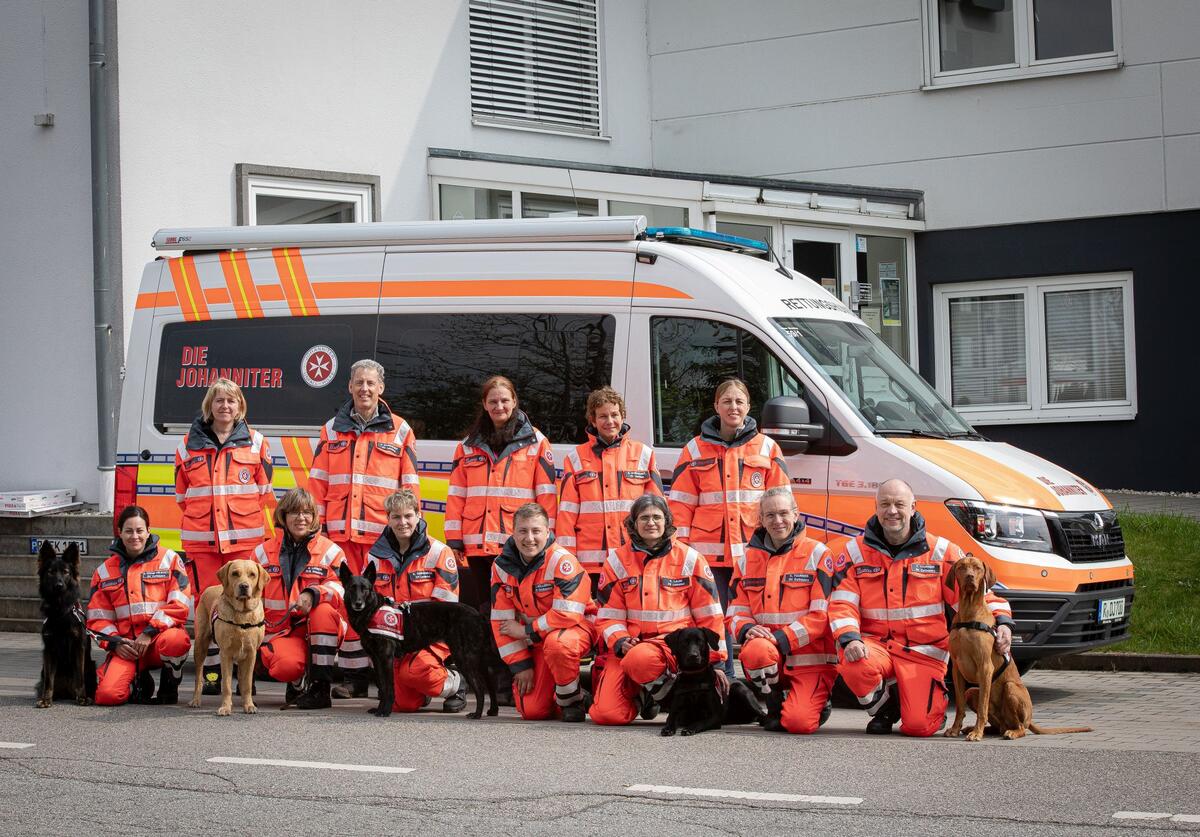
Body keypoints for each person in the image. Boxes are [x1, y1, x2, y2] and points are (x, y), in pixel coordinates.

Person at [827, 478, 1016, 736]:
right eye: (885, 504)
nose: (892, 511)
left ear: (913, 507)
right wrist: (849, 639)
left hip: (923, 653)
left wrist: (1003, 621)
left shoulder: (941, 551)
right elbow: (842, 603)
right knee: (854, 663)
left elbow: (978, 595)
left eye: (899, 504)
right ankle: (886, 707)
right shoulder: (855, 552)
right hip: (877, 647)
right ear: (876, 508)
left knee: (918, 726)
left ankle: (922, 703)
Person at [668, 378, 789, 675]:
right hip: (709, 556)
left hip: (755, 553)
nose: (733, 407)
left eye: (739, 401)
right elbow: (681, 505)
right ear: (716, 406)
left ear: (748, 407)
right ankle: (723, 676)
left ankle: (760, 678)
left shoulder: (767, 448)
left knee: (755, 618)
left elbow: (781, 502)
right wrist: (682, 552)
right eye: (727, 401)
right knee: (714, 617)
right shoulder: (695, 449)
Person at [589, 494, 725, 726]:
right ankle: (644, 698)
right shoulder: (617, 561)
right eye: (644, 518)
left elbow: (710, 614)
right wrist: (621, 641)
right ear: (633, 524)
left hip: (672, 648)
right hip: (628, 649)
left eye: (656, 517)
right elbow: (607, 615)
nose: (650, 523)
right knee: (606, 715)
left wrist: (716, 662)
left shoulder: (690, 559)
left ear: (667, 521)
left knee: (641, 659)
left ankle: (672, 704)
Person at [174, 377, 273, 693]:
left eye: (231, 401)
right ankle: (215, 679)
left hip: (242, 544)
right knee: (212, 614)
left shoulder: (257, 443)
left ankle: (246, 682)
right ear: (209, 405)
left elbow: (263, 493)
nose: (225, 406)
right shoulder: (186, 445)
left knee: (247, 609)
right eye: (219, 400)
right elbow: (181, 496)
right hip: (203, 544)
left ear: (240, 406)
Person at [344, 489, 466, 712]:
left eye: (408, 516)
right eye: (396, 517)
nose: (403, 522)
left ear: (419, 516)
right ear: (388, 518)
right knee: (404, 704)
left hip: (430, 638)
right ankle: (420, 691)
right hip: (393, 641)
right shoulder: (374, 556)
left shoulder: (440, 552)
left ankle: (456, 683)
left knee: (416, 671)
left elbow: (446, 611)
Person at [727, 486, 836, 733]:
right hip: (769, 655)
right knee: (755, 651)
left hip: (810, 660)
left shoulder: (818, 554)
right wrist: (747, 629)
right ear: (761, 520)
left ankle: (820, 703)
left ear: (796, 514)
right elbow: (734, 611)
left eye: (784, 513)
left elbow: (821, 617)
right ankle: (774, 701)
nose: (778, 521)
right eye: (770, 515)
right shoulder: (746, 559)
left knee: (798, 724)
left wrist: (778, 640)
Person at [444, 375, 557, 613]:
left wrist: (547, 537)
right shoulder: (467, 445)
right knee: (485, 608)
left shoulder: (536, 442)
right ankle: (490, 650)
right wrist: (454, 539)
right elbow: (456, 494)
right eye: (493, 401)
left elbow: (546, 495)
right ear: (484, 404)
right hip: (476, 542)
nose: (499, 407)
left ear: (515, 401)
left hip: (516, 543)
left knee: (514, 607)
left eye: (505, 400)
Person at [310, 358, 420, 575]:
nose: (364, 389)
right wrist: (317, 530)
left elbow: (410, 486)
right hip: (340, 535)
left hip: (383, 536)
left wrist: (412, 528)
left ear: (381, 387)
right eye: (359, 383)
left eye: (370, 383)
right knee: (341, 596)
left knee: (380, 597)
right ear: (350, 386)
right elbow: (317, 484)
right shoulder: (331, 429)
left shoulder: (400, 430)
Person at [491, 503, 594, 721]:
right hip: (537, 640)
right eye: (523, 531)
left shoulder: (562, 561)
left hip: (574, 632)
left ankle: (572, 701)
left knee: (558, 645)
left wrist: (528, 630)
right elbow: (501, 621)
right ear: (513, 532)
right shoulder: (500, 567)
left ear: (548, 532)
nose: (529, 538)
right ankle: (570, 696)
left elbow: (568, 615)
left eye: (536, 531)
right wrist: (521, 665)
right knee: (532, 711)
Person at [252, 488, 348, 710]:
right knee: (285, 667)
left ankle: (320, 688)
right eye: (294, 512)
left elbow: (342, 589)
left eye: (307, 512)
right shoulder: (262, 553)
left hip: (320, 629)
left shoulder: (331, 551)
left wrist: (315, 593)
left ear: (314, 517)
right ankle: (296, 683)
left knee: (323, 611)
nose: (301, 518)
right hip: (282, 631)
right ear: (283, 516)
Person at [87, 505, 192, 706]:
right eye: (128, 531)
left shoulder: (169, 560)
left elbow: (179, 604)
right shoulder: (104, 571)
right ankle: (139, 681)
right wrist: (115, 644)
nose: (134, 536)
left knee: (176, 640)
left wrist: (150, 632)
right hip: (127, 647)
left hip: (158, 640)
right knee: (107, 696)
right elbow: (97, 618)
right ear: (120, 533)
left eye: (139, 530)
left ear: (148, 531)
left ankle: (170, 683)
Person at [556, 386, 662, 578]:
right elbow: (566, 515)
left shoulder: (643, 455)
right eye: (603, 416)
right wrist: (566, 560)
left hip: (635, 556)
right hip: (590, 562)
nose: (610, 421)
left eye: (615, 414)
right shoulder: (575, 458)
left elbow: (658, 511)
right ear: (593, 421)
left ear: (623, 417)